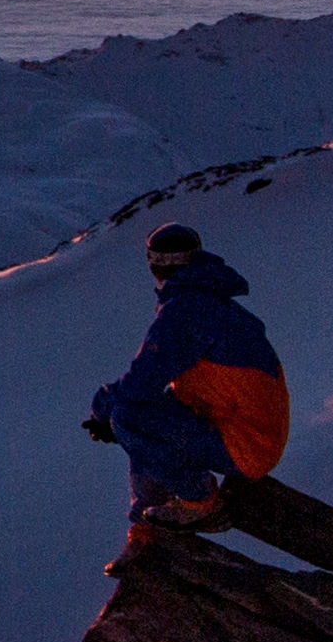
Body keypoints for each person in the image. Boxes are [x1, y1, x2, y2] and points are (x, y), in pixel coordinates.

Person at [85, 223, 290, 575]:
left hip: (244, 444)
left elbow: (141, 383)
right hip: (247, 433)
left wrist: (101, 409)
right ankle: (147, 530)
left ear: (154, 266)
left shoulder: (186, 312)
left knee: (129, 417)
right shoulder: (213, 306)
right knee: (140, 417)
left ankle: (199, 502)